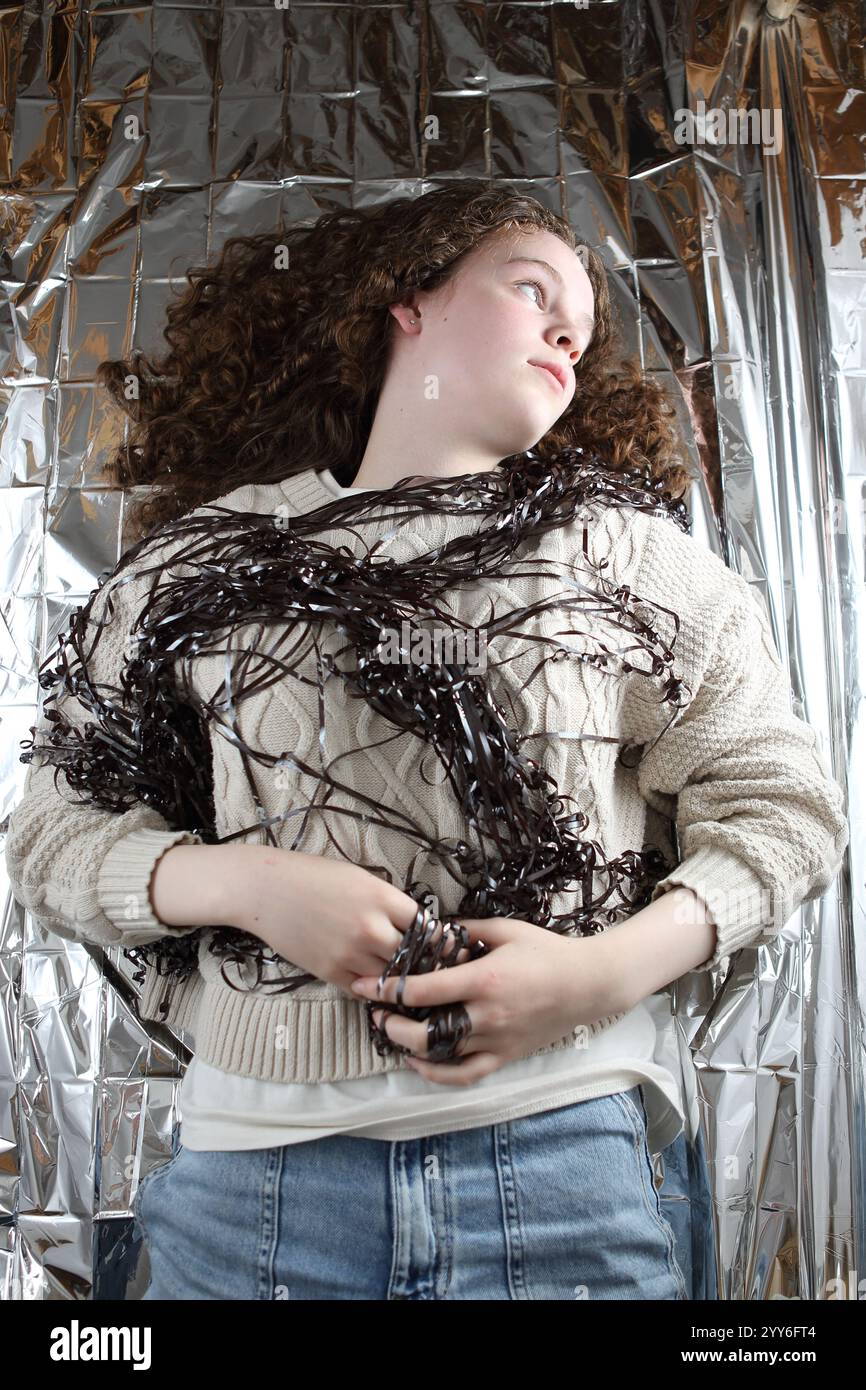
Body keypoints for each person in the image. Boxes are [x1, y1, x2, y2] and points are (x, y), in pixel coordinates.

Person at [5, 181, 848, 1301]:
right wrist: (245, 883)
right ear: (407, 298)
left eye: (581, 331)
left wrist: (594, 975)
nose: (563, 332)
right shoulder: (199, 567)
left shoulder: (622, 559)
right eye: (529, 287)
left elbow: (783, 809)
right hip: (252, 1195)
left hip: (564, 1176)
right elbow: (51, 836)